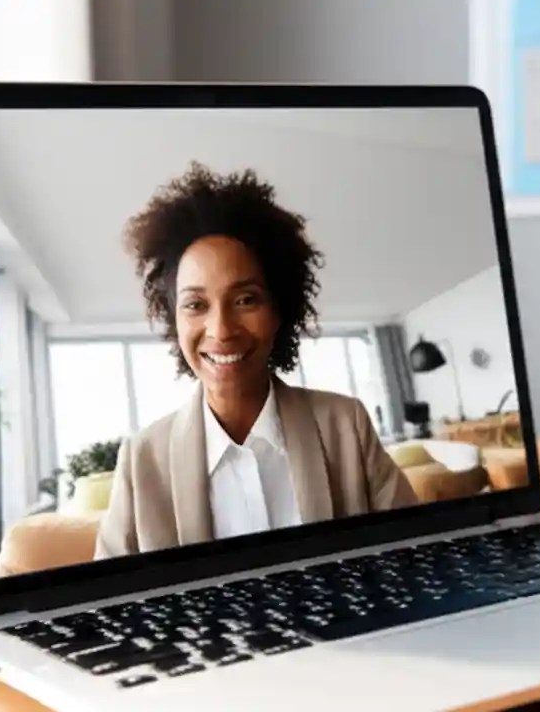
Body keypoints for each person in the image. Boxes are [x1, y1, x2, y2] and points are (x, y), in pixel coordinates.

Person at [95, 163, 417, 559]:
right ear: (174, 320)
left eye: (245, 299)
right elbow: (111, 606)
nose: (222, 329)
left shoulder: (345, 425)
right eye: (195, 305)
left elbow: (413, 555)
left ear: (278, 309)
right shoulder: (141, 460)